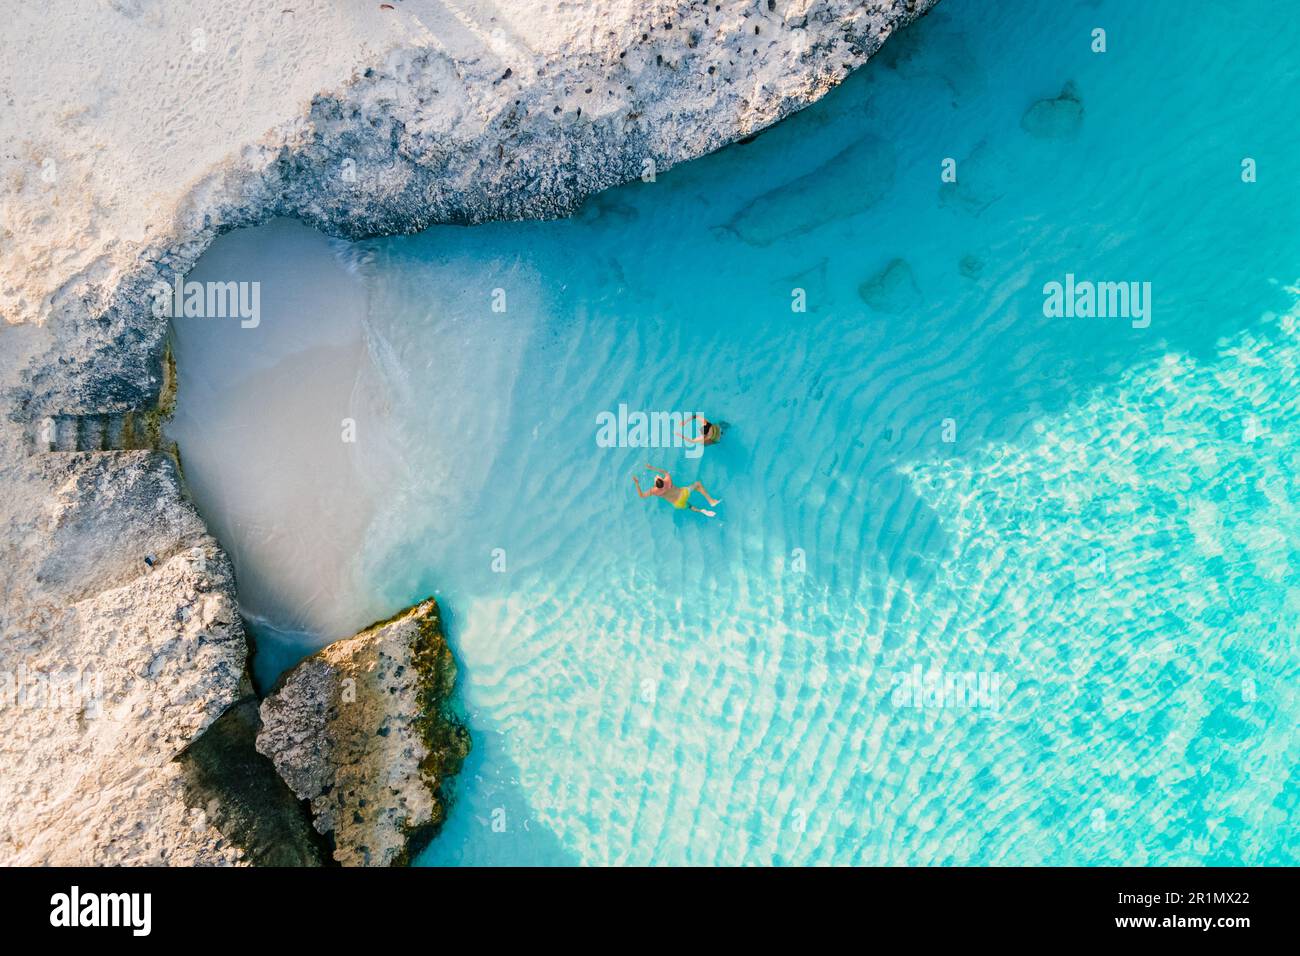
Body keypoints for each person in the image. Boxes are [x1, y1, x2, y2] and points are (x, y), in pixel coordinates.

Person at [633, 464, 720, 517]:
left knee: (690, 507)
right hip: (683, 493)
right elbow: (664, 472)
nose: (656, 477)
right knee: (698, 484)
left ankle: (701, 511)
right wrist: (651, 467)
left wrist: (637, 483)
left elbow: (642, 495)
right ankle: (711, 501)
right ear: (662, 480)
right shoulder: (667, 479)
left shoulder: (655, 491)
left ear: (656, 485)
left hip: (678, 503)